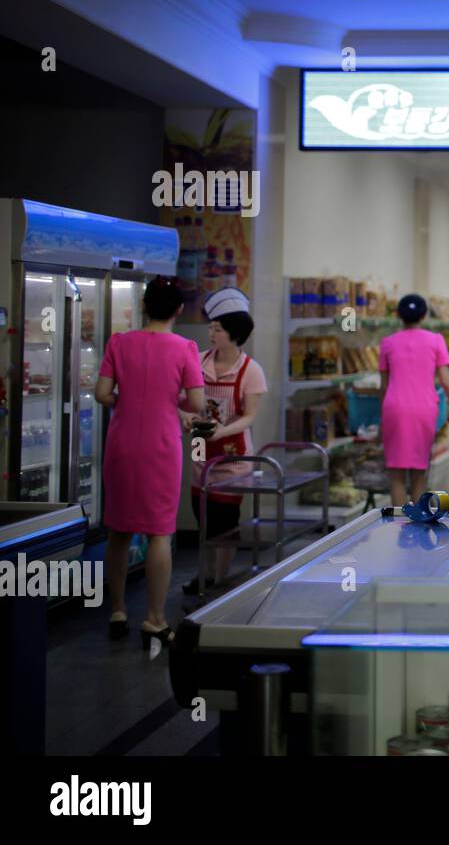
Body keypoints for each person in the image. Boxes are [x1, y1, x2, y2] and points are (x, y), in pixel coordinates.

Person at [95, 276, 205, 649]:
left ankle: (118, 610)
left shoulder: (119, 343)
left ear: (143, 305)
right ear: (178, 310)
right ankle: (155, 619)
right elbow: (198, 403)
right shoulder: (185, 348)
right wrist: (171, 405)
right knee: (160, 531)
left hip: (122, 442)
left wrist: (126, 403)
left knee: (119, 530)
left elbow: (102, 394)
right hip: (161, 445)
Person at [178, 288, 268, 595]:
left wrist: (221, 431)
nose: (211, 333)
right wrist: (185, 415)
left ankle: (220, 577)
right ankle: (203, 573)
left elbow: (249, 417)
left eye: (217, 329)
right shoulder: (197, 361)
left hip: (234, 458)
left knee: (225, 521)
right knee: (201, 515)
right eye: (211, 328)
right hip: (201, 451)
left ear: (234, 334)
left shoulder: (250, 370)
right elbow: (179, 398)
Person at [379, 293, 449, 506]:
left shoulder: (387, 343)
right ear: (424, 315)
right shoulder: (436, 341)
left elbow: (384, 386)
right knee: (419, 473)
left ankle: (397, 526)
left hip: (394, 408)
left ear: (398, 315)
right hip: (424, 409)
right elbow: (447, 382)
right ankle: (417, 526)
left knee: (396, 475)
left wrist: (381, 419)